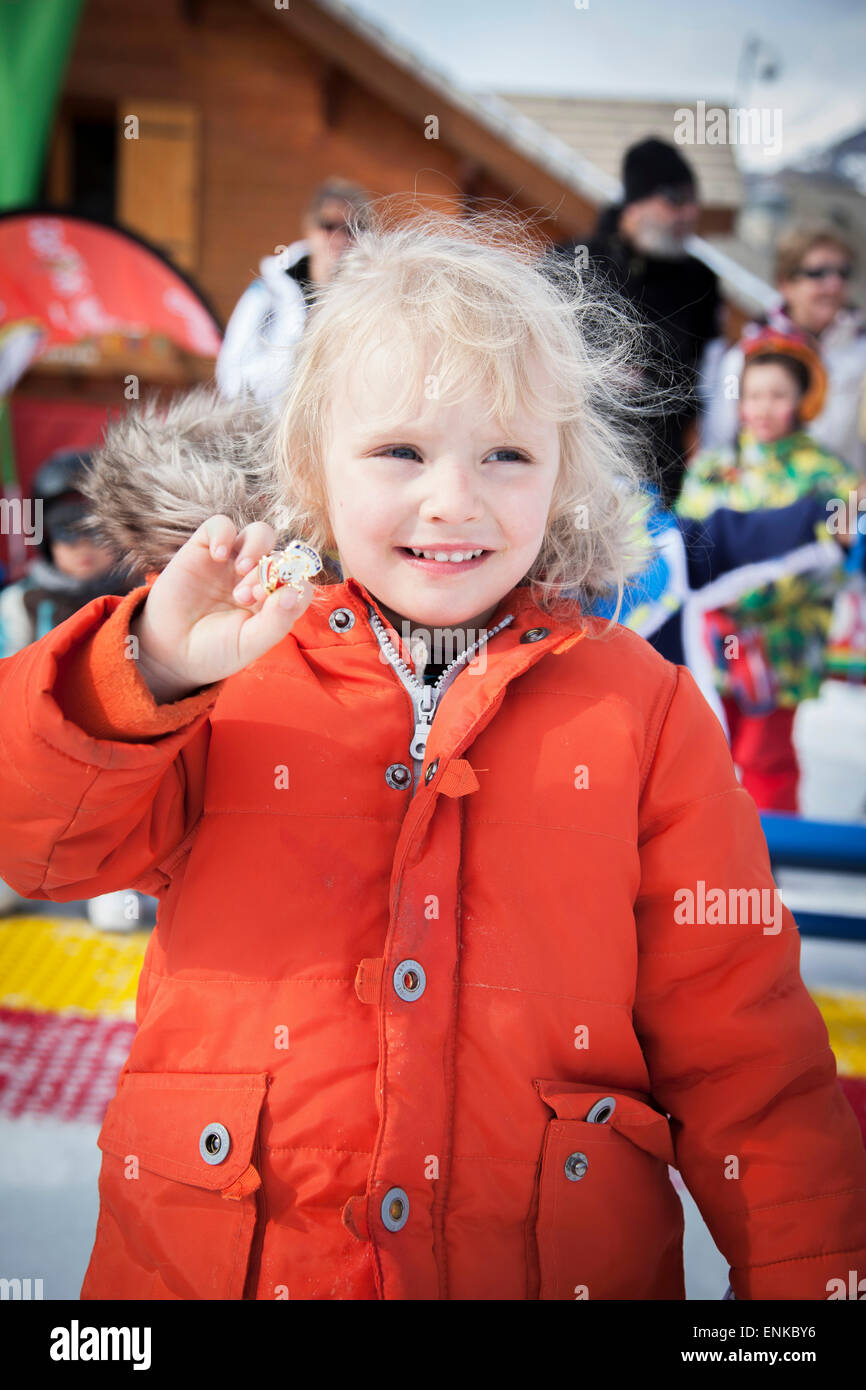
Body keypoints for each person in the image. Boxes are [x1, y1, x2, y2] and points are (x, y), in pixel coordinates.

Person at [1, 212, 864, 1302]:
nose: (452, 499)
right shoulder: (219, 663)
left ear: (564, 473)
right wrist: (153, 673)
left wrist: (810, 1284)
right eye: (400, 451)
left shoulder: (640, 711)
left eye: (505, 453)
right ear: (311, 467)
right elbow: (40, 843)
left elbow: (745, 1050)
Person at [677, 328, 858, 811]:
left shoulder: (829, 474)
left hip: (781, 649)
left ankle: (765, 859)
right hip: (714, 645)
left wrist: (751, 598)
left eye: (777, 395)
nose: (762, 407)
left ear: (802, 399)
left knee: (764, 755)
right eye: (753, 394)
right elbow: (688, 538)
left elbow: (833, 562)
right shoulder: (713, 466)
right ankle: (707, 856)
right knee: (705, 750)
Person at [0, 447, 153, 930]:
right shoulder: (20, 605)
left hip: (111, 750)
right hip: (35, 743)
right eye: (67, 532)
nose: (83, 547)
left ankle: (118, 875)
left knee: (114, 908)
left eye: (95, 532)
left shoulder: (138, 599)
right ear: (45, 538)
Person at [560, 137, 720, 507]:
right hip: (583, 455)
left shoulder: (700, 279)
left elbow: (706, 370)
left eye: (693, 201)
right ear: (636, 203)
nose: (688, 214)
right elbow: (537, 350)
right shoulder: (576, 261)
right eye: (675, 200)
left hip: (662, 464)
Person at [701, 222, 866, 472]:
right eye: (818, 273)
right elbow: (719, 433)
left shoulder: (861, 349)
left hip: (844, 499)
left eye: (842, 273)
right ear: (785, 283)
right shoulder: (744, 355)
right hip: (768, 500)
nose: (833, 285)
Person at [215, 177, 370, 406]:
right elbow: (231, 375)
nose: (339, 238)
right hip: (271, 428)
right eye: (328, 226)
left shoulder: (371, 296)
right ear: (309, 227)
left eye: (351, 228)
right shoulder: (267, 291)